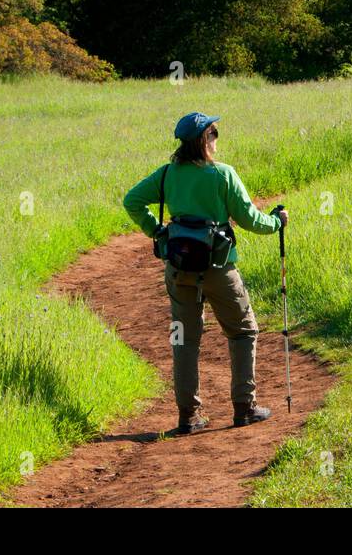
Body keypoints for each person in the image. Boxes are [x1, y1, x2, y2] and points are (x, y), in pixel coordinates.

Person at [123, 111, 288, 435]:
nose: (216, 139)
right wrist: (277, 222)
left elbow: (132, 201)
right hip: (218, 267)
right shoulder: (223, 174)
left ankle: (189, 417)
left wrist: (158, 233)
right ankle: (244, 408)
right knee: (242, 332)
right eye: (213, 133)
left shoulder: (167, 174)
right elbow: (251, 220)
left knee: (184, 340)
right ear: (204, 141)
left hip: (179, 267)